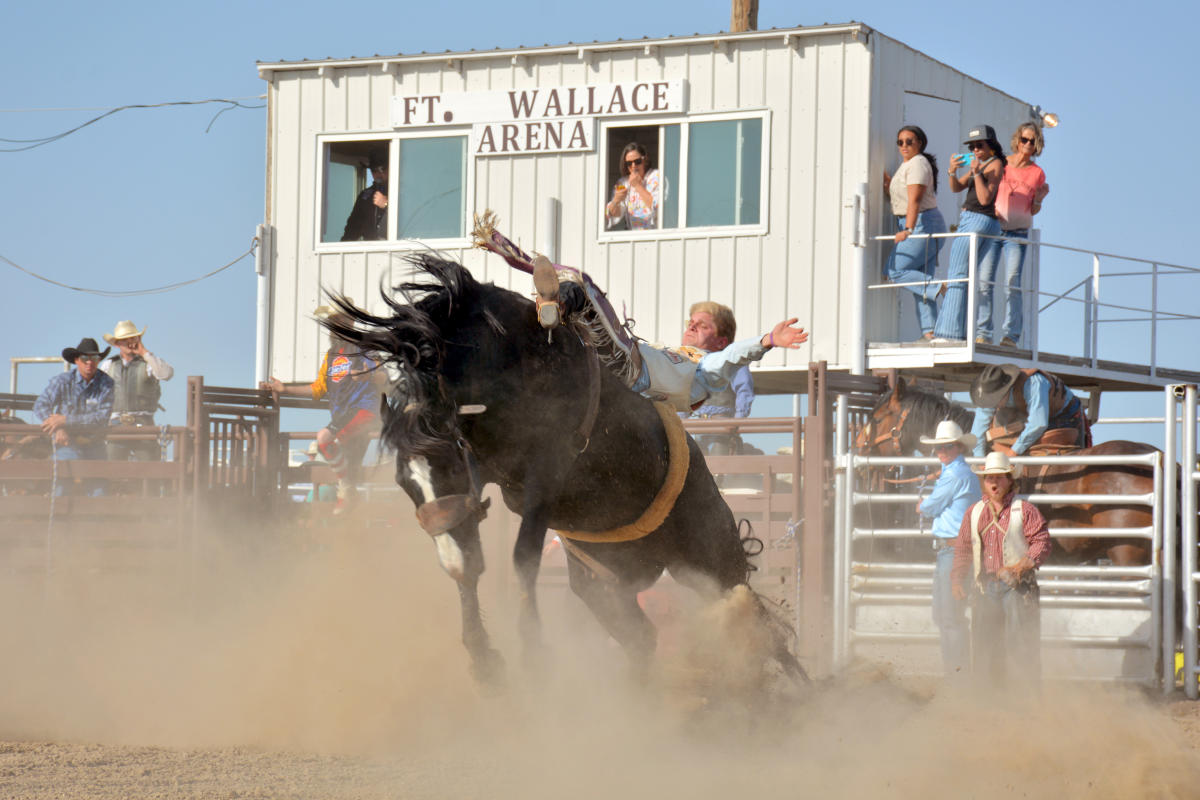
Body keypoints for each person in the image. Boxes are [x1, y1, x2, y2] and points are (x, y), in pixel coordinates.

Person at [264, 304, 382, 514]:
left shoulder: (364, 348)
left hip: (364, 411)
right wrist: (284, 389)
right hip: (344, 418)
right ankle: (348, 495)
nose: (334, 328)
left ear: (350, 324)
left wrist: (369, 375)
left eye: (339, 323)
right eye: (332, 324)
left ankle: (346, 490)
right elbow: (318, 388)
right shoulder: (331, 356)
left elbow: (384, 376)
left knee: (325, 438)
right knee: (337, 452)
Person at [950, 450, 1051, 686]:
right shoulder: (975, 512)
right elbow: (964, 548)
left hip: (1017, 587)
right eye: (989, 478)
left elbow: (1042, 541)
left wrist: (1022, 565)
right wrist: (957, 580)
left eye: (999, 477)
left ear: (1009, 479)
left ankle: (1025, 699)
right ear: (984, 482)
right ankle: (992, 698)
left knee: (1021, 645)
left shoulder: (1024, 509)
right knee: (986, 646)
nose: (994, 482)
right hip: (986, 587)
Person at [916, 420, 980, 677]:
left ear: (958, 448)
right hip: (953, 551)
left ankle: (957, 679)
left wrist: (923, 505)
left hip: (953, 552)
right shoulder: (960, 473)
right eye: (939, 447)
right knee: (948, 617)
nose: (941, 451)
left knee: (949, 618)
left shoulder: (953, 474)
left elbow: (931, 507)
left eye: (946, 447)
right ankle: (956, 676)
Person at [932, 124, 1006, 342]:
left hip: (976, 219)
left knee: (957, 275)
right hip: (981, 222)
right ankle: (958, 332)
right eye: (972, 146)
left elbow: (985, 199)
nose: (975, 150)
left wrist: (976, 172)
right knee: (962, 276)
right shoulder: (984, 165)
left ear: (991, 146)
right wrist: (951, 170)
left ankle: (948, 333)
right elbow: (956, 187)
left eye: (979, 145)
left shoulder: (995, 165)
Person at [980, 123, 1050, 347]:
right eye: (1024, 140)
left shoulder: (1037, 173)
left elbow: (1034, 209)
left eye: (1032, 141)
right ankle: (984, 332)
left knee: (1012, 282)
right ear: (1017, 140)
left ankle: (1011, 335)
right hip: (994, 228)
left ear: (1037, 144)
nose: (1027, 145)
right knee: (984, 280)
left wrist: (1039, 199)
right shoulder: (1003, 164)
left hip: (1018, 232)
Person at [882, 125, 947, 341]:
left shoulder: (918, 164)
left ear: (920, 143)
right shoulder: (908, 165)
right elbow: (905, 193)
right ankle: (931, 333)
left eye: (909, 141)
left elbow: (915, 201)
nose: (904, 146)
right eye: (900, 142)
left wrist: (908, 230)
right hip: (920, 223)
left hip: (922, 223)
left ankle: (940, 286)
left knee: (895, 271)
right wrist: (890, 186)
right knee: (921, 283)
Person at [33, 337, 115, 495]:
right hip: (66, 442)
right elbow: (40, 405)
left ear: (98, 361)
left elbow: (101, 418)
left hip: (94, 443)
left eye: (94, 358)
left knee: (99, 490)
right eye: (85, 358)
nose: (89, 362)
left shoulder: (107, 383)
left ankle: (96, 519)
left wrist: (64, 420)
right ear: (77, 360)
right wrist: (57, 429)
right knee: (62, 483)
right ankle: (58, 517)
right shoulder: (62, 381)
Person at [969, 363, 1090, 457]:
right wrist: (980, 461)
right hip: (1030, 417)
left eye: (994, 399)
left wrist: (1013, 452)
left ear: (1004, 391)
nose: (991, 404)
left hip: (1064, 415)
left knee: (1071, 458)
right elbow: (977, 430)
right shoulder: (988, 392)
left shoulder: (1033, 384)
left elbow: (1038, 424)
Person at [100, 320, 174, 461]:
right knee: (110, 468)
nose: (129, 342)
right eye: (124, 340)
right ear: (117, 343)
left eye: (133, 338)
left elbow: (166, 374)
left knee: (149, 468)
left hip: (143, 424)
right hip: (115, 425)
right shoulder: (108, 365)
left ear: (139, 339)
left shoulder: (149, 362)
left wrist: (144, 352)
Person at [604, 142, 660, 230]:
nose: (633, 166)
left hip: (653, 235)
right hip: (633, 237)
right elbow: (614, 214)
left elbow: (658, 207)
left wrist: (638, 186)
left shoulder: (656, 176)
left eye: (637, 161)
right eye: (629, 163)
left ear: (645, 160)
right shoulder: (623, 183)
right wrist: (616, 201)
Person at [340, 151, 388, 241]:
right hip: (371, 250)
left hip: (394, 249)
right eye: (374, 170)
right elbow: (353, 228)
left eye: (382, 169)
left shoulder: (402, 193)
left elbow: (410, 223)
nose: (378, 174)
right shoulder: (365, 196)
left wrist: (387, 204)